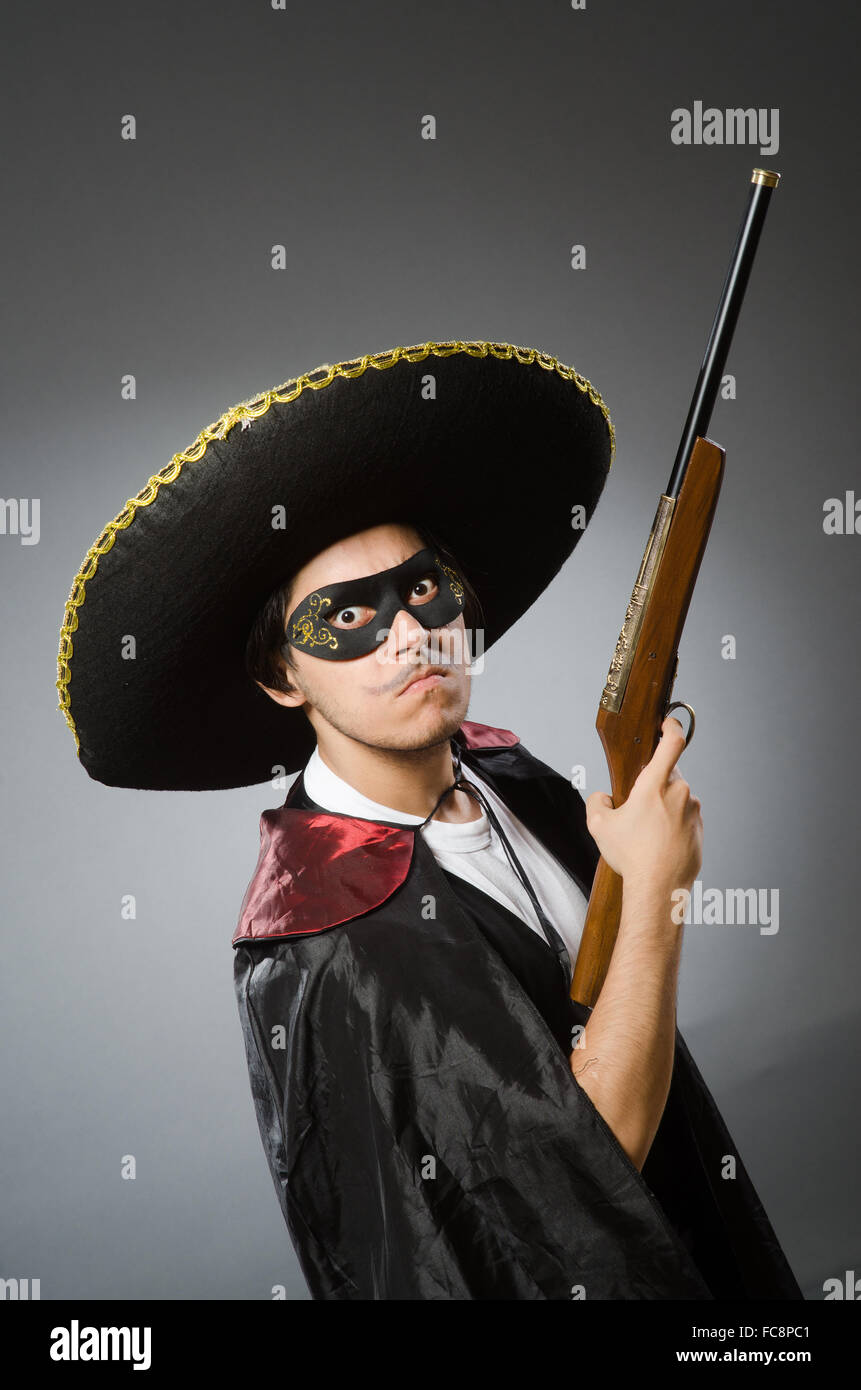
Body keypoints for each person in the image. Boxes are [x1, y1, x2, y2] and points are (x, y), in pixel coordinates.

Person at [56, 338, 803, 1300]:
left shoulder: (509, 775)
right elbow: (591, 1169)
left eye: (419, 590)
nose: (409, 633)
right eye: (347, 618)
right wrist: (657, 891)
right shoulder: (331, 940)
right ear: (282, 676)